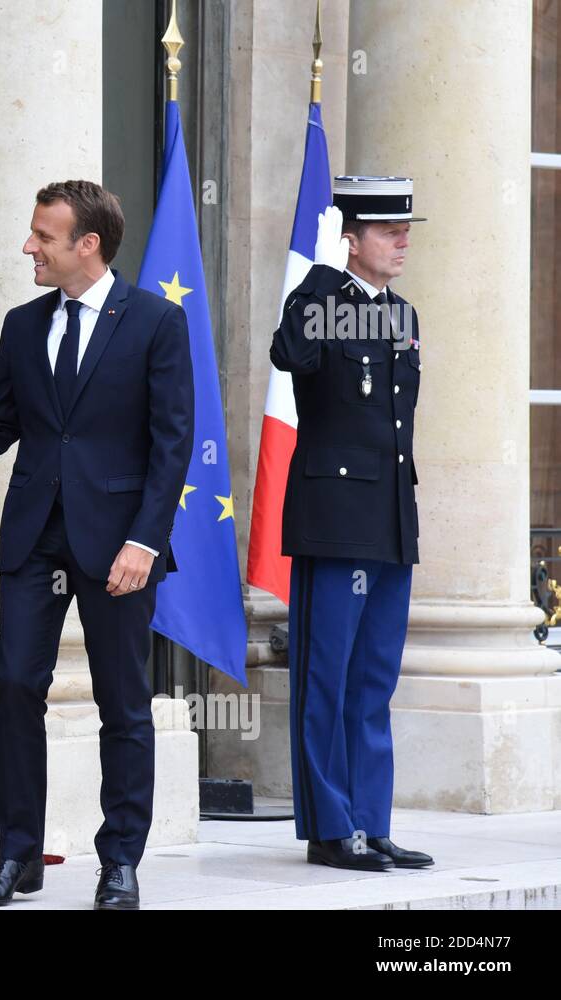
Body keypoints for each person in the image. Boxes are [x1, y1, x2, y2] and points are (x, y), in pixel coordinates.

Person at [0, 179, 194, 909]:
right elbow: (0, 424)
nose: (30, 247)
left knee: (123, 702)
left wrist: (145, 541)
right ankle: (18, 856)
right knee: (16, 685)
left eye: (43, 236)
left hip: (120, 546)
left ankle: (119, 862)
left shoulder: (154, 321)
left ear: (88, 245)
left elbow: (174, 443)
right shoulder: (23, 324)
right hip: (33, 540)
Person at [269, 175, 433, 871]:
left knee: (373, 680)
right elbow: (291, 357)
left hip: (389, 518)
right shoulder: (323, 303)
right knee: (327, 676)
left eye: (404, 231)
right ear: (351, 240)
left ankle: (372, 820)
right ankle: (332, 828)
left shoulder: (402, 314)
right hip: (335, 518)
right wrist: (320, 276)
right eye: (387, 231)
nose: (401, 242)